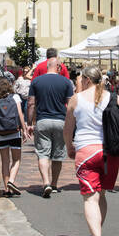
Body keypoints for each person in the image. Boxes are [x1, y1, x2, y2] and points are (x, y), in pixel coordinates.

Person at [64, 64, 119, 236]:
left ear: (86, 79)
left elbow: (68, 129)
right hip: (109, 152)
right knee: (101, 195)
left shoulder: (76, 99)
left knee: (90, 198)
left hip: (86, 151)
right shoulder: (112, 96)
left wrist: (70, 147)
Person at [28, 52, 76, 197]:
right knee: (57, 155)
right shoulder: (66, 82)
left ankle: (46, 182)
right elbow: (71, 105)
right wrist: (72, 123)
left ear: (47, 66)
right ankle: (54, 184)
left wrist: (29, 122)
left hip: (42, 120)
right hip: (61, 120)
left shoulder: (36, 82)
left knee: (43, 154)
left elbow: (31, 103)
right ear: (59, 67)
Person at [0, 76, 29, 196]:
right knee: (16, 160)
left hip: (0, 134)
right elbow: (20, 114)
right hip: (14, 133)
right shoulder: (15, 97)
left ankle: (6, 189)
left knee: (5, 161)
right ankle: (11, 180)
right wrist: (24, 130)